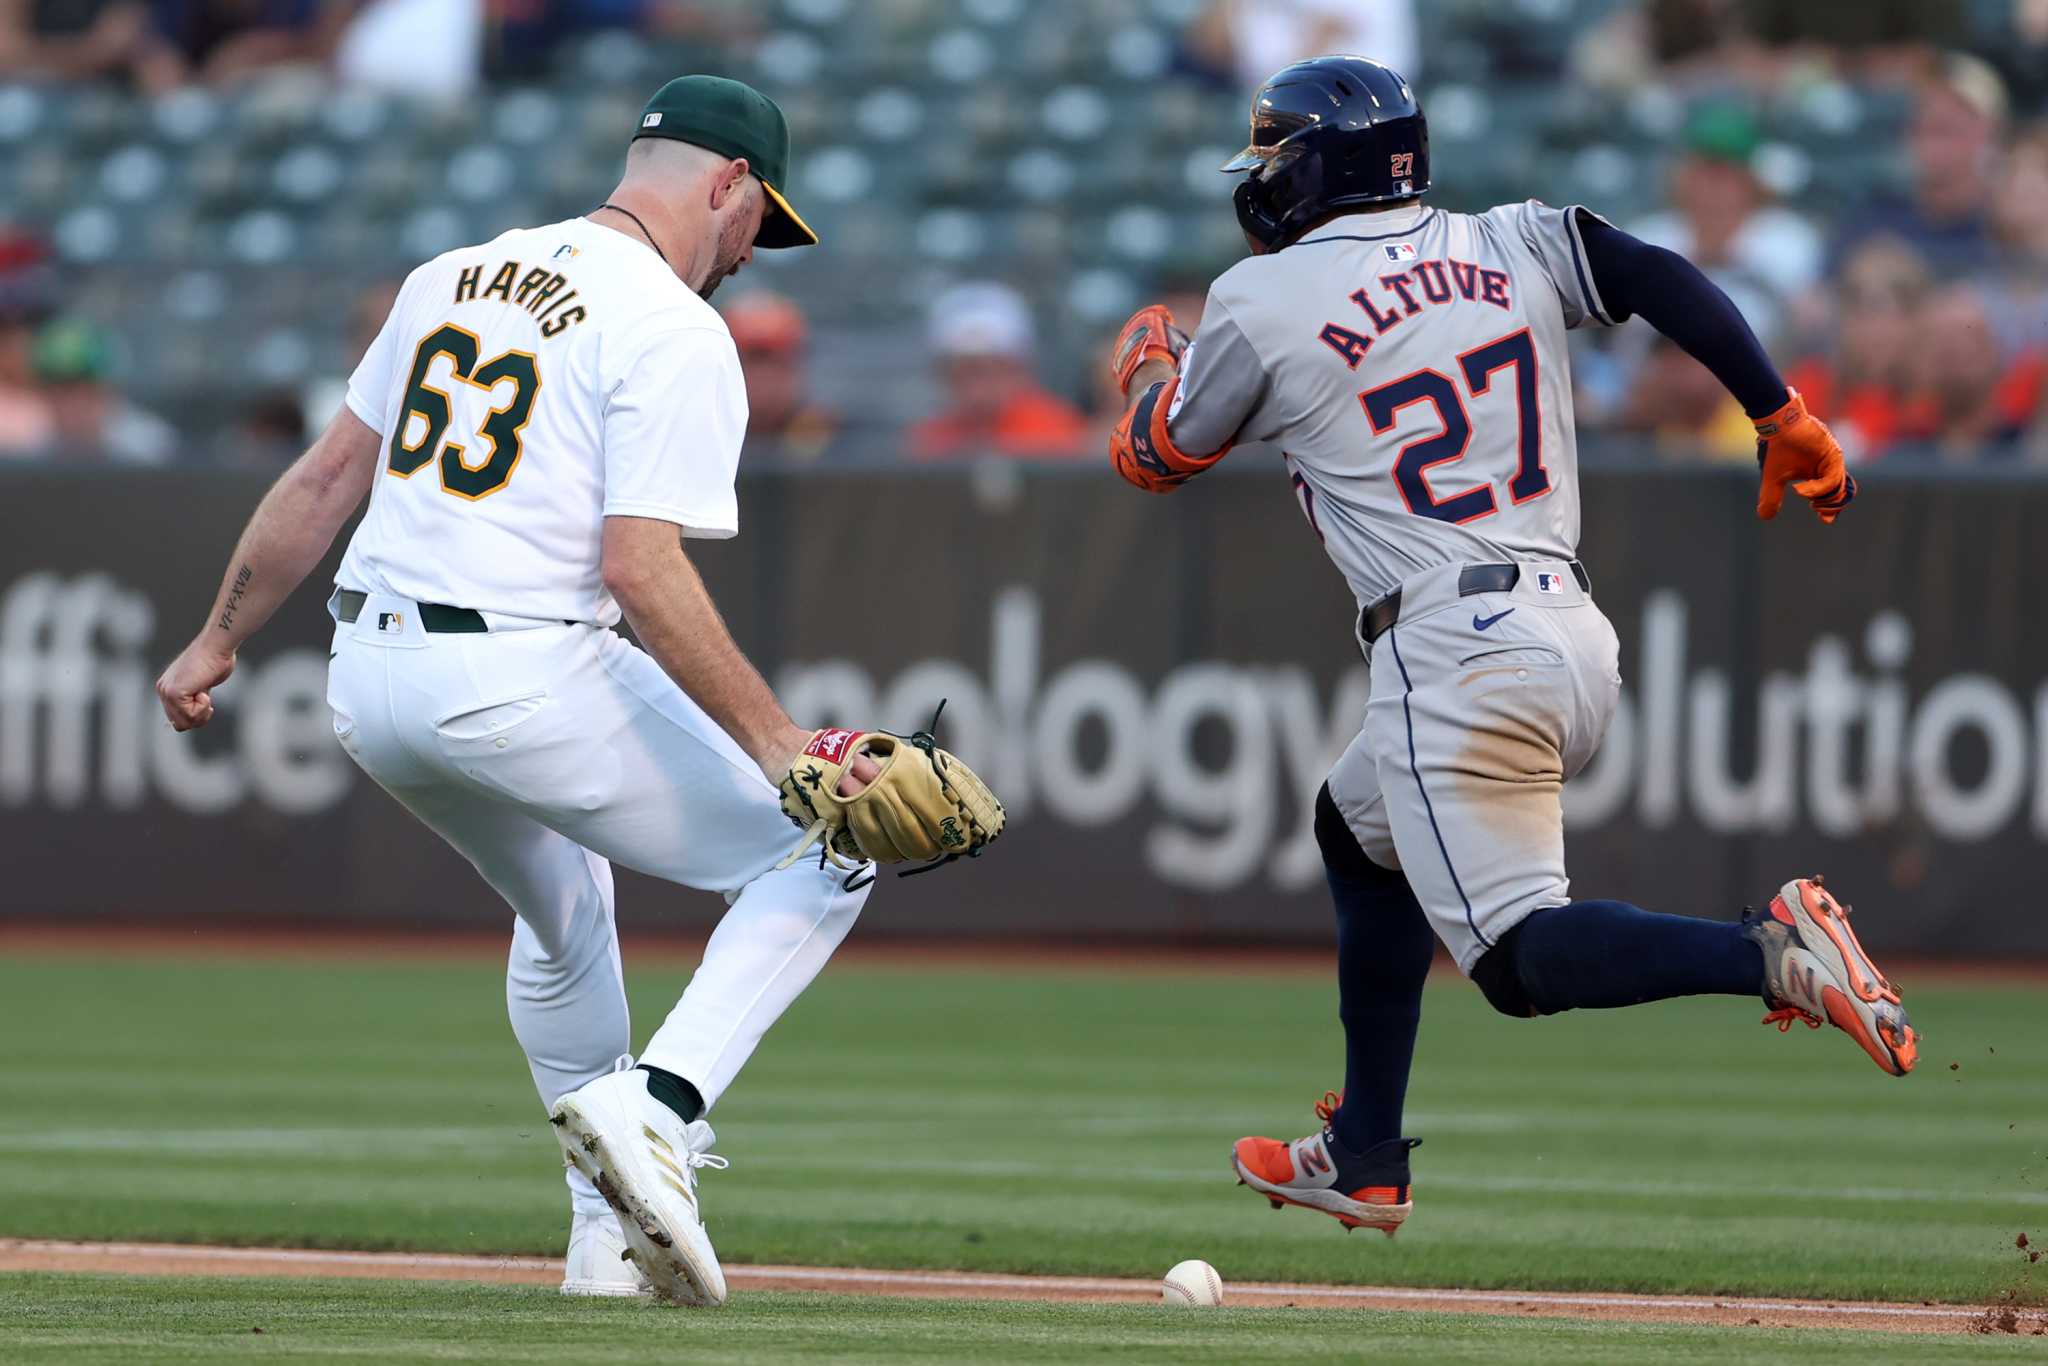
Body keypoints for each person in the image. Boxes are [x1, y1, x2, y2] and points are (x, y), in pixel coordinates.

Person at [1104, 57, 1917, 1237]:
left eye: (1273, 159)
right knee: (1354, 823)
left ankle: (1770, 951)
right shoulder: (1512, 236)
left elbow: (1154, 458)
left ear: (1311, 168)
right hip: (1565, 625)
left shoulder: (1258, 297)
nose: (1260, 182)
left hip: (1448, 647)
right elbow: (1653, 274)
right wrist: (1777, 410)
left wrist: (1149, 375)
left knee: (1515, 962)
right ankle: (1366, 1152)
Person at [154, 76, 913, 1307]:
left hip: (373, 687)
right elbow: (639, 569)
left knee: (566, 908)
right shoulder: (671, 327)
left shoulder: (450, 275)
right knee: (825, 849)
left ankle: (602, 1241)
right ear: (725, 182)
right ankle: (657, 1111)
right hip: (520, 669)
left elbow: (324, 480)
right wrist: (783, 749)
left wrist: (215, 636)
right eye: (755, 224)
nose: (746, 257)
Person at [1832, 54, 2007, 277]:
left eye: (1948, 127)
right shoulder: (1877, 215)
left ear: (1989, 132)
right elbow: (1819, 298)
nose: (1935, 114)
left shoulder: (2010, 221)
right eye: (1924, 123)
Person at [907, 281, 1090, 461]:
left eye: (993, 370)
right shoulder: (929, 440)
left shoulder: (1060, 431)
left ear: (1022, 369)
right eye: (965, 372)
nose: (979, 387)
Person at [722, 290, 837, 462]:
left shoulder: (833, 439)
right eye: (753, 362)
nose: (765, 378)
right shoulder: (701, 432)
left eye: (778, 363)